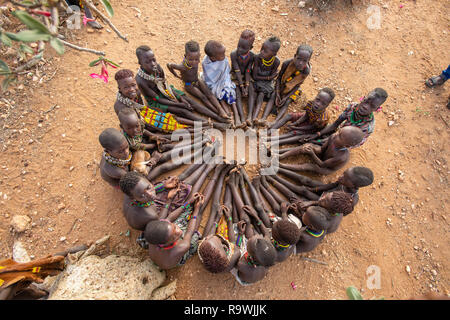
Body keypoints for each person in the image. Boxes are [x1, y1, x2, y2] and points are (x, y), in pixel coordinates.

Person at [135, 45, 208, 123]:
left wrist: (181, 99)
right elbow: (158, 99)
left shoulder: (158, 68)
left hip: (165, 90)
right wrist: (179, 104)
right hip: (155, 100)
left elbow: (165, 86)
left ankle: (218, 118)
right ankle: (212, 124)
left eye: (154, 60)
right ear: (140, 63)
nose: (153, 64)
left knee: (189, 100)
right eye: (147, 62)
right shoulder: (141, 81)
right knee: (183, 111)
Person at [299, 88, 388, 147]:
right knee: (314, 132)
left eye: (372, 106)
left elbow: (345, 143)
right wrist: (317, 134)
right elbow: (335, 124)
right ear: (363, 98)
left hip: (345, 143)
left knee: (315, 147)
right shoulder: (352, 107)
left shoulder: (366, 127)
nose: (366, 106)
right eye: (366, 101)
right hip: (339, 133)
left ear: (377, 109)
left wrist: (316, 142)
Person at [167, 40, 231, 122]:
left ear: (199, 55)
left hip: (197, 79)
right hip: (189, 85)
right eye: (191, 59)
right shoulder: (182, 66)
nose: (194, 62)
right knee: (203, 97)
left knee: (209, 93)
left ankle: (221, 110)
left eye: (196, 59)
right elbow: (169, 65)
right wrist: (175, 74)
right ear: (185, 56)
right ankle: (218, 113)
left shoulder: (196, 59)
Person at [114, 69, 188, 133]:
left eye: (133, 85)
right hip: (135, 124)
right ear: (119, 89)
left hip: (142, 114)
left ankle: (192, 126)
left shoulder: (137, 93)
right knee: (160, 126)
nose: (132, 89)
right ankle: (187, 130)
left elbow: (143, 107)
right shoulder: (120, 106)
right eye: (126, 87)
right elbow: (130, 124)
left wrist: (154, 113)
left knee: (167, 116)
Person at [144, 192, 205, 269]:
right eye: (173, 237)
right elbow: (189, 233)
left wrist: (188, 202)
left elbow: (169, 218)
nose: (179, 231)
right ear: (165, 245)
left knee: (185, 211)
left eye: (174, 226)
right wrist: (197, 209)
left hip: (164, 252)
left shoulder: (154, 237)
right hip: (174, 256)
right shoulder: (182, 247)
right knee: (197, 218)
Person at [260, 44, 313, 126]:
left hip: (291, 89)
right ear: (295, 56)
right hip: (280, 84)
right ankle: (263, 118)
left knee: (287, 102)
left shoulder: (306, 71)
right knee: (273, 95)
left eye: (304, 61)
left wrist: (285, 97)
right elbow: (278, 78)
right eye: (298, 59)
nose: (300, 63)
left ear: (308, 60)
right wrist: (277, 93)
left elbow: (297, 85)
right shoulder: (287, 63)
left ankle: (275, 122)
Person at [279, 126, 365, 175]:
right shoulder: (333, 137)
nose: (336, 135)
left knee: (311, 166)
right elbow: (322, 150)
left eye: (340, 136)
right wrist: (311, 149)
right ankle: (282, 156)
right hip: (323, 155)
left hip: (326, 168)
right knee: (306, 147)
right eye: (339, 131)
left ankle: (282, 165)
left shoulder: (341, 157)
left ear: (347, 145)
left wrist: (312, 154)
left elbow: (322, 165)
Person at [269, 88, 334, 141]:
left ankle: (271, 139)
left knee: (294, 133)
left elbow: (311, 127)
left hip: (312, 128)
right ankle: (269, 131)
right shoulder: (310, 103)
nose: (318, 104)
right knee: (289, 115)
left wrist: (296, 127)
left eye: (323, 103)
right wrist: (296, 123)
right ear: (316, 97)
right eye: (317, 99)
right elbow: (306, 115)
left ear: (327, 105)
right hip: (307, 119)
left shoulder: (322, 118)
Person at [201, 40, 239, 124]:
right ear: (213, 58)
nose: (224, 56)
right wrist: (218, 85)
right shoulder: (205, 63)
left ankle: (236, 115)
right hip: (213, 84)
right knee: (218, 94)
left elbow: (226, 73)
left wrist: (223, 83)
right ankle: (228, 115)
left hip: (224, 80)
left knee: (229, 92)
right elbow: (209, 79)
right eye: (222, 55)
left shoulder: (223, 60)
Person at [249, 36, 281, 125]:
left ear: (274, 54)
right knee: (254, 91)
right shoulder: (257, 58)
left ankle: (256, 119)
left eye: (265, 51)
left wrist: (269, 79)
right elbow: (255, 76)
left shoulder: (276, 62)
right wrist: (269, 78)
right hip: (256, 81)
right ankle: (251, 118)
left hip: (265, 84)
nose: (261, 51)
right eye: (262, 48)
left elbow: (272, 77)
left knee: (262, 95)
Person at [306, 166, 374, 207]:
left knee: (305, 193)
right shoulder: (343, 181)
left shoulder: (350, 200)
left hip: (323, 203)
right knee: (308, 182)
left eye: (346, 178)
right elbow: (331, 186)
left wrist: (314, 202)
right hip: (325, 194)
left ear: (354, 185)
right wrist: (315, 189)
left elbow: (331, 210)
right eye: (343, 173)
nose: (341, 177)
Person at [230, 30, 257, 126]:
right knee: (236, 93)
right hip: (235, 76)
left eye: (243, 48)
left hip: (247, 76)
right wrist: (242, 86)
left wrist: (246, 85)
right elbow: (236, 70)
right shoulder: (233, 54)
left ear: (251, 48)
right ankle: (241, 118)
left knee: (251, 91)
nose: (240, 49)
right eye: (238, 46)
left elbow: (248, 70)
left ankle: (249, 117)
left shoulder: (252, 56)